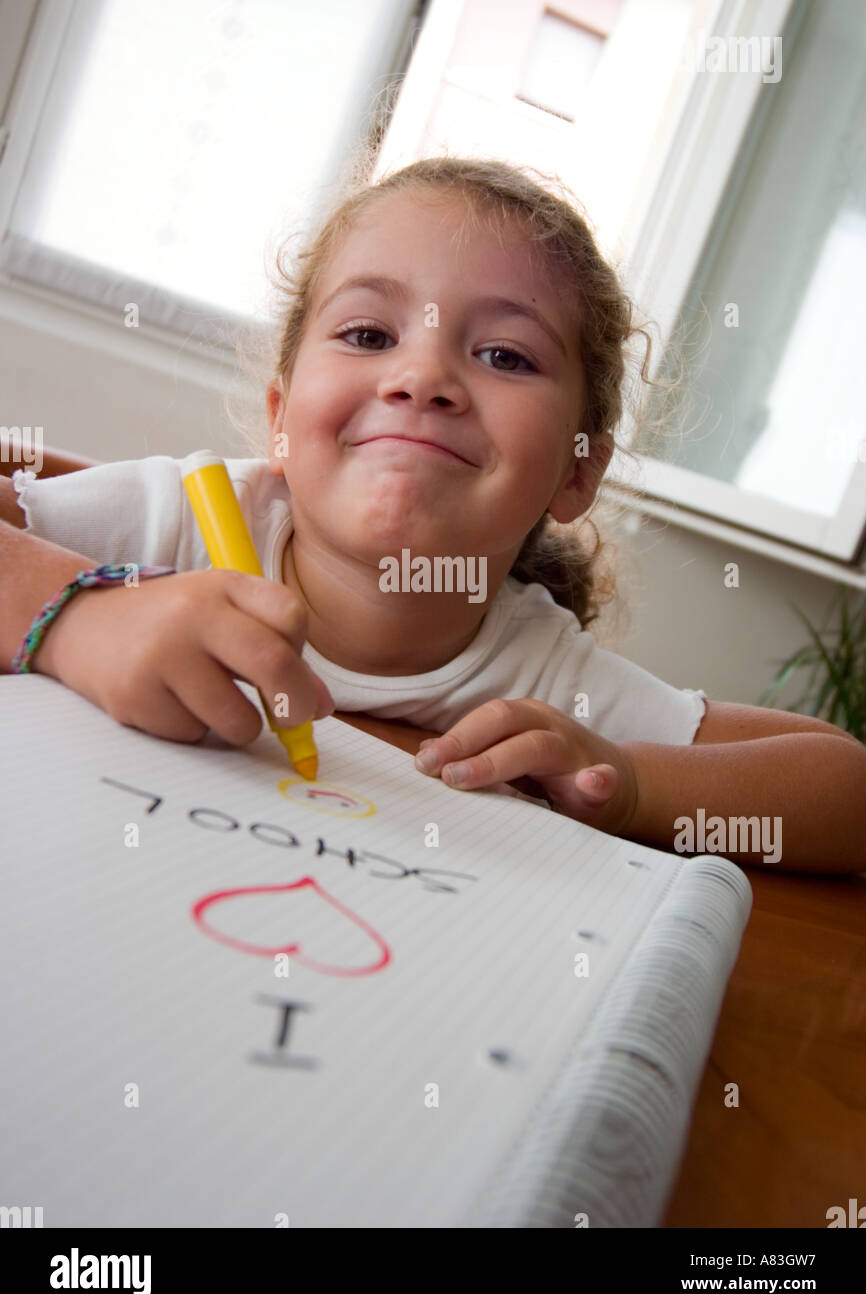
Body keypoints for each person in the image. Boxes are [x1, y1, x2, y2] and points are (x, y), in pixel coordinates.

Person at [2, 156, 864, 872]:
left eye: (503, 354)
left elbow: (845, 790)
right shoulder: (176, 519)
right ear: (280, 419)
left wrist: (629, 783)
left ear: (576, 471)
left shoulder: (541, 677)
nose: (422, 378)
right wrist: (82, 613)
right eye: (370, 335)